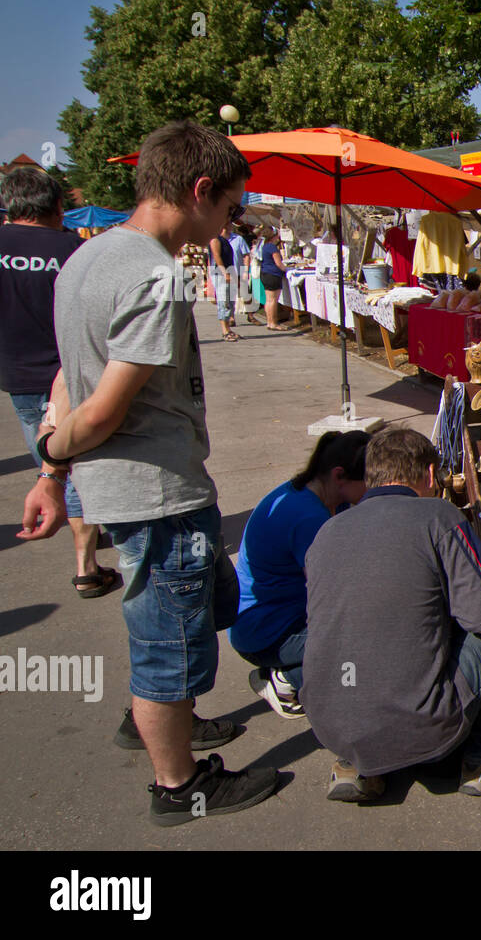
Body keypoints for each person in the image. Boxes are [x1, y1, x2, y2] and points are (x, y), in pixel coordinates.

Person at [21, 119, 280, 827]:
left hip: (137, 485)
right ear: (199, 190)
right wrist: (51, 460)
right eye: (229, 206)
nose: (231, 221)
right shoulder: (155, 276)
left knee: (187, 618)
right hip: (153, 489)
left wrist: (53, 474)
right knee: (166, 638)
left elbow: (68, 379)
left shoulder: (85, 260)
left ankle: (166, 725)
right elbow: (100, 407)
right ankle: (179, 785)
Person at [301, 427, 481, 803]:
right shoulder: (439, 516)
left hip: (328, 724)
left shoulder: (327, 531)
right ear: (431, 476)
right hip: (426, 728)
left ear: (370, 477)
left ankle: (357, 764)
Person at [1, 166, 119, 597]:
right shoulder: (76, 249)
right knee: (76, 466)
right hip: (75, 375)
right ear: (57, 206)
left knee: (51, 465)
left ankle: (86, 547)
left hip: (19, 376)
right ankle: (86, 564)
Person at [231, 430, 370, 718]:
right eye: (368, 482)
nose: (373, 490)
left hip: (271, 619)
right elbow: (334, 593)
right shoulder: (309, 518)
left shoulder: (320, 494)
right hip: (268, 634)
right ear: (339, 475)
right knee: (369, 643)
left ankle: (297, 670)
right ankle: (287, 682)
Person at [209, 223, 239, 341]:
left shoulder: (225, 240)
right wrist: (224, 272)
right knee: (224, 301)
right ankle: (225, 331)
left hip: (228, 272)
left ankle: (228, 329)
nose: (231, 227)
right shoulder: (215, 239)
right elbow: (216, 256)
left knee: (229, 301)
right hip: (220, 274)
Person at [259, 226, 290, 329]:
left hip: (265, 273)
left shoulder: (264, 246)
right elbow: (278, 263)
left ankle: (269, 322)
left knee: (268, 300)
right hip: (273, 274)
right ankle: (273, 323)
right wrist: (287, 269)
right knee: (273, 300)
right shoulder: (272, 247)